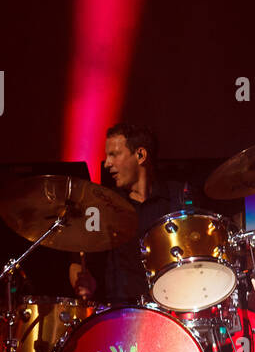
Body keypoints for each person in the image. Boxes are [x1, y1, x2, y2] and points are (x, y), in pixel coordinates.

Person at [70, 123, 189, 303]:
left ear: (140, 155)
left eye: (114, 155)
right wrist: (84, 283)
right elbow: (76, 262)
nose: (107, 164)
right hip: (118, 314)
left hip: (173, 310)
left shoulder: (177, 198)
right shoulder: (102, 205)